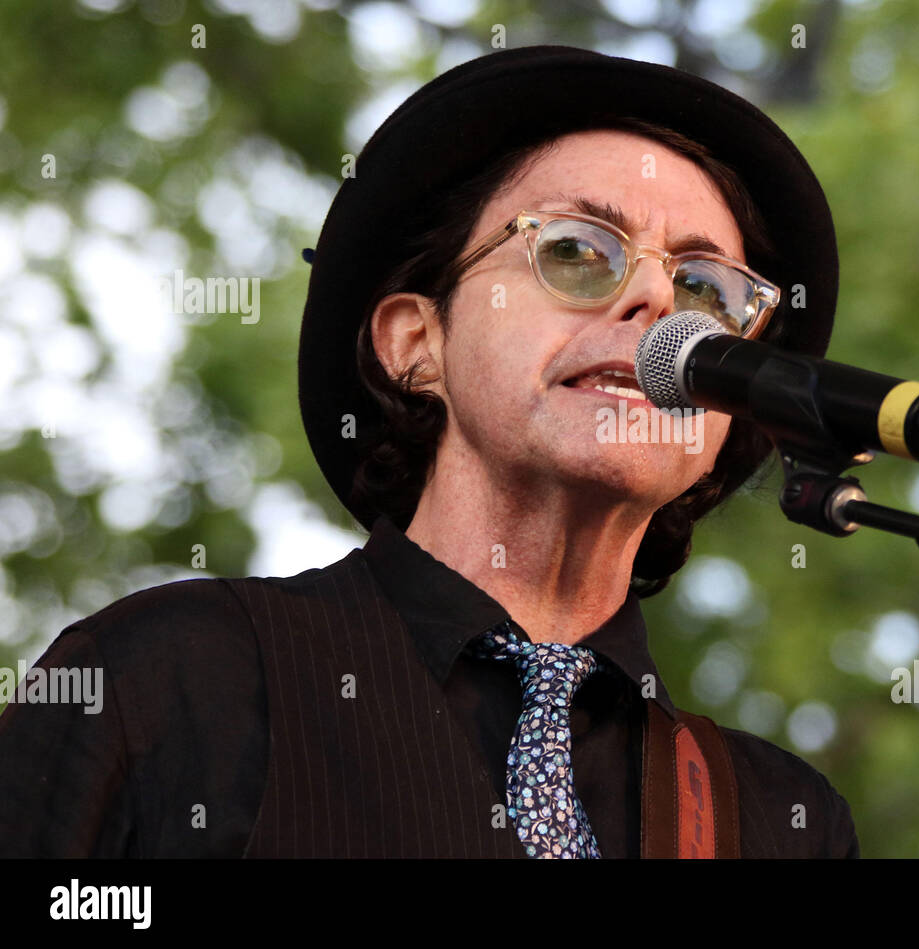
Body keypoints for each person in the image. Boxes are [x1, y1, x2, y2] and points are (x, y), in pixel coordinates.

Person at [0, 45, 857, 858]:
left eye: (704, 286)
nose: (653, 299)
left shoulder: (781, 821)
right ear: (416, 340)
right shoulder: (171, 677)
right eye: (575, 250)